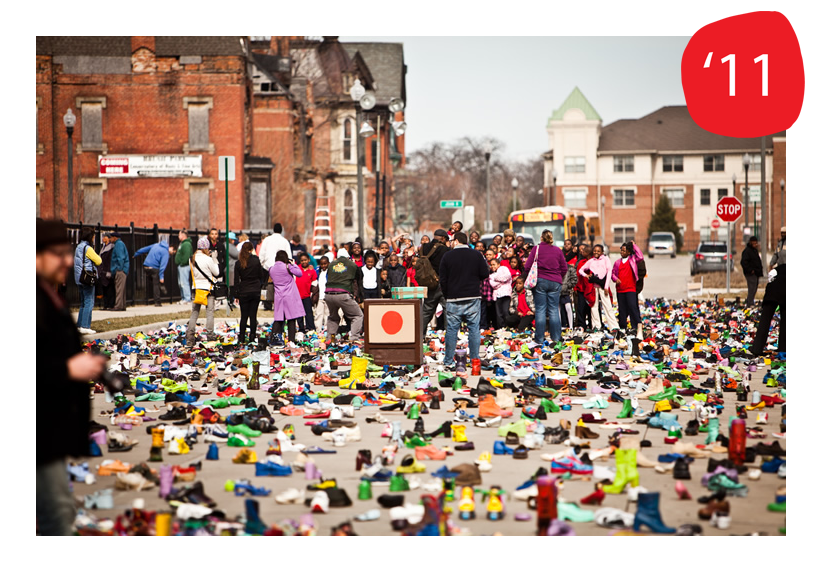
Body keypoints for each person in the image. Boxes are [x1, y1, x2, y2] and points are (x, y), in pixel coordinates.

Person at [37, 219, 106, 543]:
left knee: (57, 512)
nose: (67, 260)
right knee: (57, 516)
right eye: (58, 253)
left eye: (68, 252)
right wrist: (68, 370)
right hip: (41, 432)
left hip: (50, 425)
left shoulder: (49, 294)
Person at [438, 232, 489, 366]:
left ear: (455, 241)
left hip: (453, 298)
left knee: (452, 330)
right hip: (473, 297)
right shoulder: (477, 255)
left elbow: (442, 279)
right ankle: (474, 360)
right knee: (474, 329)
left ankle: (448, 361)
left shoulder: (447, 256)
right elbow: (485, 273)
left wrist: (447, 293)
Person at [523, 229, 567, 344]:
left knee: (540, 310)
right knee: (553, 310)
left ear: (541, 238)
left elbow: (527, 266)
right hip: (555, 282)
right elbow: (564, 268)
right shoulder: (557, 250)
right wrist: (558, 276)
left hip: (540, 281)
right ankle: (556, 338)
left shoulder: (536, 249)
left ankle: (539, 339)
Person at [752, 233, 787, 355]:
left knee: (765, 320)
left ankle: (757, 348)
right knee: (786, 320)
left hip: (772, 290)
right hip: (786, 290)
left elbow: (773, 265)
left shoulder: (778, 267)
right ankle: (783, 349)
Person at [186, 238, 220, 345]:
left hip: (196, 289)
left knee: (195, 313)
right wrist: (214, 259)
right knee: (209, 313)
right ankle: (210, 335)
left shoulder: (192, 259)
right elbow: (217, 272)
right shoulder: (208, 259)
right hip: (208, 289)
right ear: (206, 247)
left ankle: (190, 337)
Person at [325, 250, 365, 342]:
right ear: (348, 257)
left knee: (333, 317)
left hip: (328, 294)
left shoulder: (331, 264)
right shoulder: (352, 264)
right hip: (342, 294)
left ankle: (330, 340)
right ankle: (354, 339)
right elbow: (359, 277)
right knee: (357, 315)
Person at [579, 244, 618, 332]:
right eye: (595, 251)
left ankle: (614, 326)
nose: (596, 252)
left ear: (602, 252)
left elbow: (609, 272)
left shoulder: (605, 259)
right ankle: (596, 326)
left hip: (603, 286)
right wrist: (586, 275)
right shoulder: (591, 261)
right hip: (593, 287)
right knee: (594, 306)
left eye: (598, 251)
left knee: (607, 306)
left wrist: (606, 286)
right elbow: (580, 270)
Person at [269, 250, 304, 345]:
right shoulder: (288, 267)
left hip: (278, 296)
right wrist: (293, 264)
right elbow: (299, 273)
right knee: (291, 319)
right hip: (289, 296)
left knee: (279, 319)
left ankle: (274, 338)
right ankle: (291, 341)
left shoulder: (271, 269)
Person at [420, 229, 450, 333]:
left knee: (426, 311)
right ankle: (448, 335)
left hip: (428, 283)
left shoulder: (424, 247)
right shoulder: (445, 250)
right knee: (448, 309)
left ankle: (420, 335)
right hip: (442, 283)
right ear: (442, 238)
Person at [234, 242, 264, 345]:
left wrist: (236, 295)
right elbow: (261, 275)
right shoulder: (256, 260)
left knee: (244, 316)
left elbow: (236, 281)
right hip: (255, 290)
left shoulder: (238, 263)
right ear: (251, 250)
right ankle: (252, 337)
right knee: (253, 316)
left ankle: (241, 337)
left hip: (244, 291)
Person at [611, 241, 644, 332]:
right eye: (621, 250)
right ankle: (623, 327)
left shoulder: (633, 260)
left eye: (624, 251)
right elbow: (613, 273)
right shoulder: (617, 262)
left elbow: (640, 257)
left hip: (630, 288)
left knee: (632, 306)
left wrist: (634, 245)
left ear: (629, 252)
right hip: (620, 289)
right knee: (622, 309)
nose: (622, 252)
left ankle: (636, 325)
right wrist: (615, 279)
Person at [74, 227, 101, 334]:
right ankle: (85, 326)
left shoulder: (78, 247)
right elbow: (99, 261)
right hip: (87, 278)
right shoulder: (88, 248)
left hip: (79, 278)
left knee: (83, 303)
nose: (94, 238)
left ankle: (79, 325)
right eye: (93, 236)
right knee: (89, 302)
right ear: (90, 237)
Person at [259, 223, 291, 311]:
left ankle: (267, 304)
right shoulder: (284, 241)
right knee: (279, 287)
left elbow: (262, 253)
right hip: (281, 268)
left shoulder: (267, 240)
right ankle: (279, 304)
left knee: (266, 285)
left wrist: (262, 263)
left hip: (268, 266)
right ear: (281, 230)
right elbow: (289, 256)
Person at [135, 240, 174, 307]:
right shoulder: (165, 252)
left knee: (153, 281)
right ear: (171, 247)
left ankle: (152, 295)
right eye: (173, 252)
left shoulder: (156, 245)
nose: (172, 253)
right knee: (156, 284)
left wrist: (136, 253)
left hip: (145, 267)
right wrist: (161, 277)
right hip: (154, 268)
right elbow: (162, 266)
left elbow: (144, 249)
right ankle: (157, 302)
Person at [295, 252, 318, 332]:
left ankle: (310, 327)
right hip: (297, 296)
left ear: (308, 260)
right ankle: (301, 328)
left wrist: (313, 295)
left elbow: (314, 283)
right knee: (299, 314)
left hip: (307, 296)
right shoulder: (297, 269)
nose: (304, 262)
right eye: (302, 260)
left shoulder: (312, 271)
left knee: (309, 313)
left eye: (305, 260)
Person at [574, 245, 595, 330]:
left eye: (584, 250)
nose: (582, 252)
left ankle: (591, 324)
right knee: (580, 308)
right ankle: (582, 325)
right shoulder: (581, 262)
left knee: (591, 308)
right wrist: (575, 287)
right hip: (581, 289)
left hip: (590, 289)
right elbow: (577, 276)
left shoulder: (594, 262)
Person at [488, 258, 513, 328]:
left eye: (494, 264)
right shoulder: (491, 275)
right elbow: (493, 285)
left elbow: (506, 277)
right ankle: (500, 328)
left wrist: (497, 278)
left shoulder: (503, 269)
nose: (492, 266)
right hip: (497, 295)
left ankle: (507, 327)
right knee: (499, 314)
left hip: (506, 294)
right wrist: (502, 282)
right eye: (491, 265)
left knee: (505, 311)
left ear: (498, 264)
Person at [109, 231, 129, 312]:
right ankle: (122, 305)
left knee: (119, 289)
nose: (110, 239)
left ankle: (118, 306)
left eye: (111, 237)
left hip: (120, 270)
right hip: (122, 270)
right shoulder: (120, 244)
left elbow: (120, 258)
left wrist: (119, 269)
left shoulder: (118, 244)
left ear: (115, 237)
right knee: (121, 289)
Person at [559, 247, 578, 330]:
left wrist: (568, 286)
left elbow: (574, 279)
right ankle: (559, 325)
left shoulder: (570, 268)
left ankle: (571, 326)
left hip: (566, 292)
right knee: (558, 309)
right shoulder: (555, 269)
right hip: (557, 291)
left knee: (568, 307)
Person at [741, 236, 763, 307]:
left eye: (756, 243)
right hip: (750, 274)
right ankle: (749, 303)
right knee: (752, 288)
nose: (755, 244)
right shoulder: (747, 251)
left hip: (756, 273)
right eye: (754, 243)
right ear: (751, 242)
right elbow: (744, 262)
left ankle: (750, 301)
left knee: (754, 288)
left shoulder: (754, 250)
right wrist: (751, 270)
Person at [175, 230, 193, 305]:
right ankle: (183, 298)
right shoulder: (182, 244)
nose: (178, 236)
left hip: (184, 266)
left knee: (184, 282)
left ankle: (187, 298)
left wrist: (182, 263)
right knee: (180, 282)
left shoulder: (186, 244)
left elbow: (186, 256)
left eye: (179, 234)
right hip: (181, 266)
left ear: (183, 235)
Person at [98, 234, 115, 310]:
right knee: (104, 289)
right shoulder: (103, 248)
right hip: (103, 271)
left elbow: (110, 261)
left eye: (105, 237)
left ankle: (110, 304)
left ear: (108, 239)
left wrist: (109, 271)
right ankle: (105, 304)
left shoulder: (111, 248)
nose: (103, 238)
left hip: (108, 271)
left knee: (110, 288)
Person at [480, 251, 497, 329]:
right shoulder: (482, 265)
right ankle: (482, 326)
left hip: (488, 294)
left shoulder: (497, 269)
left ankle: (486, 326)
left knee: (487, 312)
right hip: (481, 293)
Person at [314, 256, 331, 332]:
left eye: (325, 264)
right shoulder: (318, 271)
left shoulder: (330, 272)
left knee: (327, 314)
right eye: (322, 264)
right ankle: (318, 329)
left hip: (328, 296)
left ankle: (327, 329)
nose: (323, 266)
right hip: (320, 297)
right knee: (318, 314)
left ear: (328, 263)